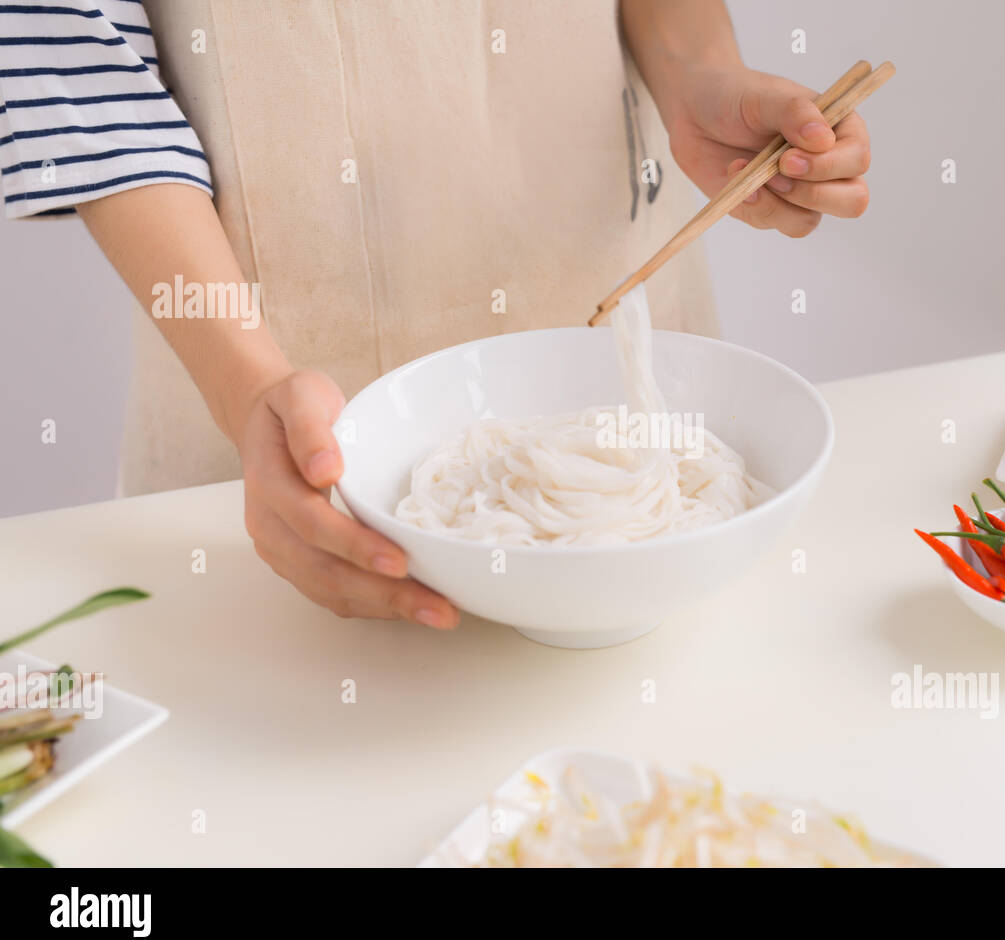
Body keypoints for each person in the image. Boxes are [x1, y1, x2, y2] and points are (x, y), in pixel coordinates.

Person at [1, 0, 872, 628]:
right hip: (265, 383)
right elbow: (75, 62)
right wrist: (248, 387)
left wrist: (698, 80)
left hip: (604, 290)